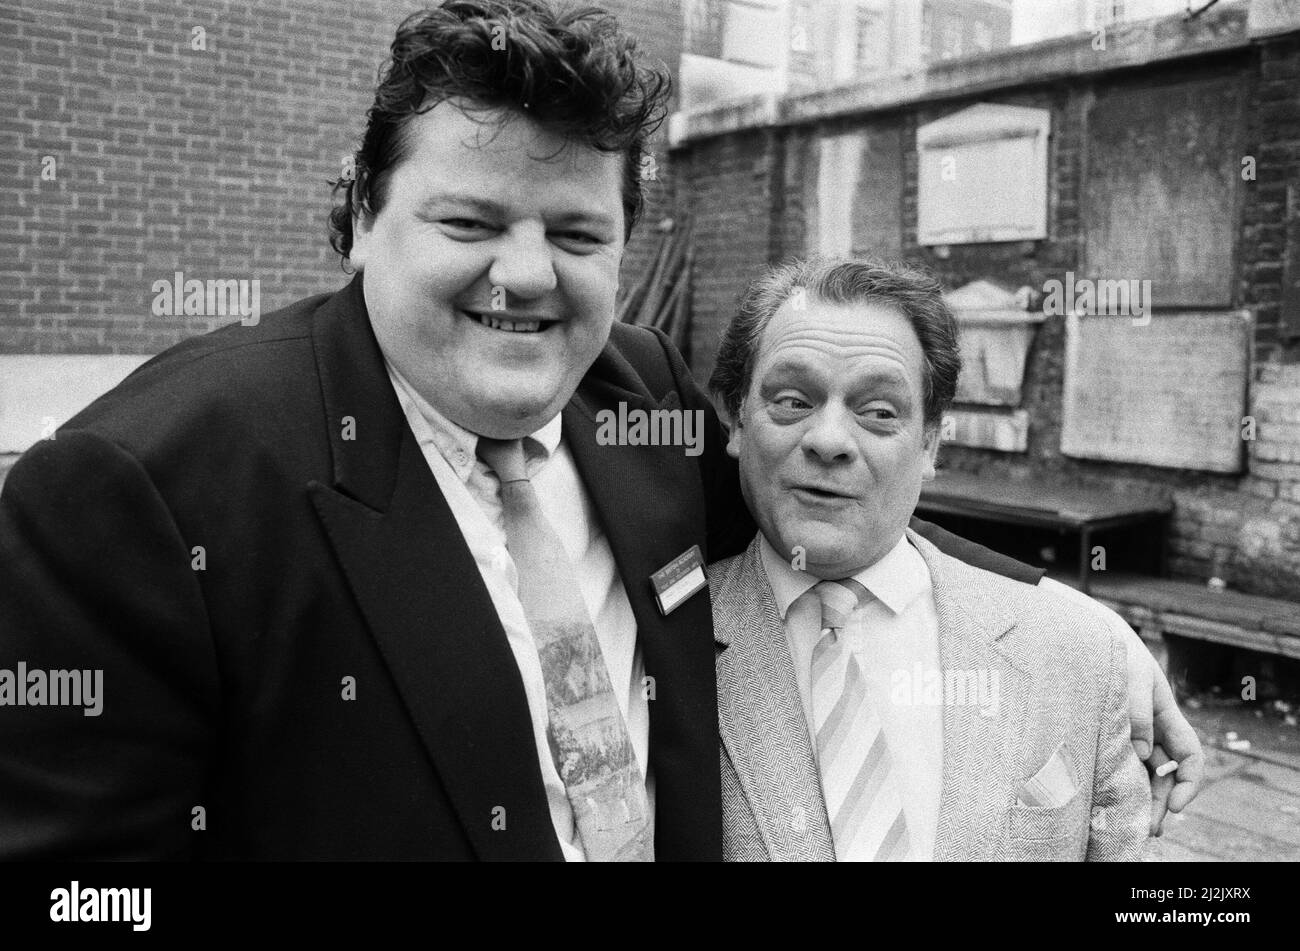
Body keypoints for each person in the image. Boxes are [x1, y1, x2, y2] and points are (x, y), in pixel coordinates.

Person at [0, 0, 1197, 861]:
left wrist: (1073, 622)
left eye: (575, 236)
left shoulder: (640, 395)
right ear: (360, 215)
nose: (524, 277)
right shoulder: (139, 488)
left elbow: (821, 506)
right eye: (470, 220)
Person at [708, 259, 1151, 860]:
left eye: (880, 412)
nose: (830, 440)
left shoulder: (1079, 653)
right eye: (792, 400)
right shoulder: (658, 642)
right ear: (736, 420)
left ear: (930, 442)